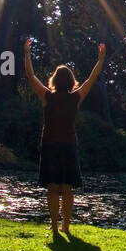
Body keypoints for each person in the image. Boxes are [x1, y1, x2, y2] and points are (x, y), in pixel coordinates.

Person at [24, 36, 106, 235]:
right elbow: (90, 79)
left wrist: (27, 53)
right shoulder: (75, 97)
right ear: (71, 81)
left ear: (54, 80)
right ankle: (66, 227)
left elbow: (31, 76)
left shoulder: (47, 97)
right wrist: (100, 59)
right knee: (67, 188)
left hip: (50, 145)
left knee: (52, 187)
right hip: (69, 145)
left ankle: (54, 228)